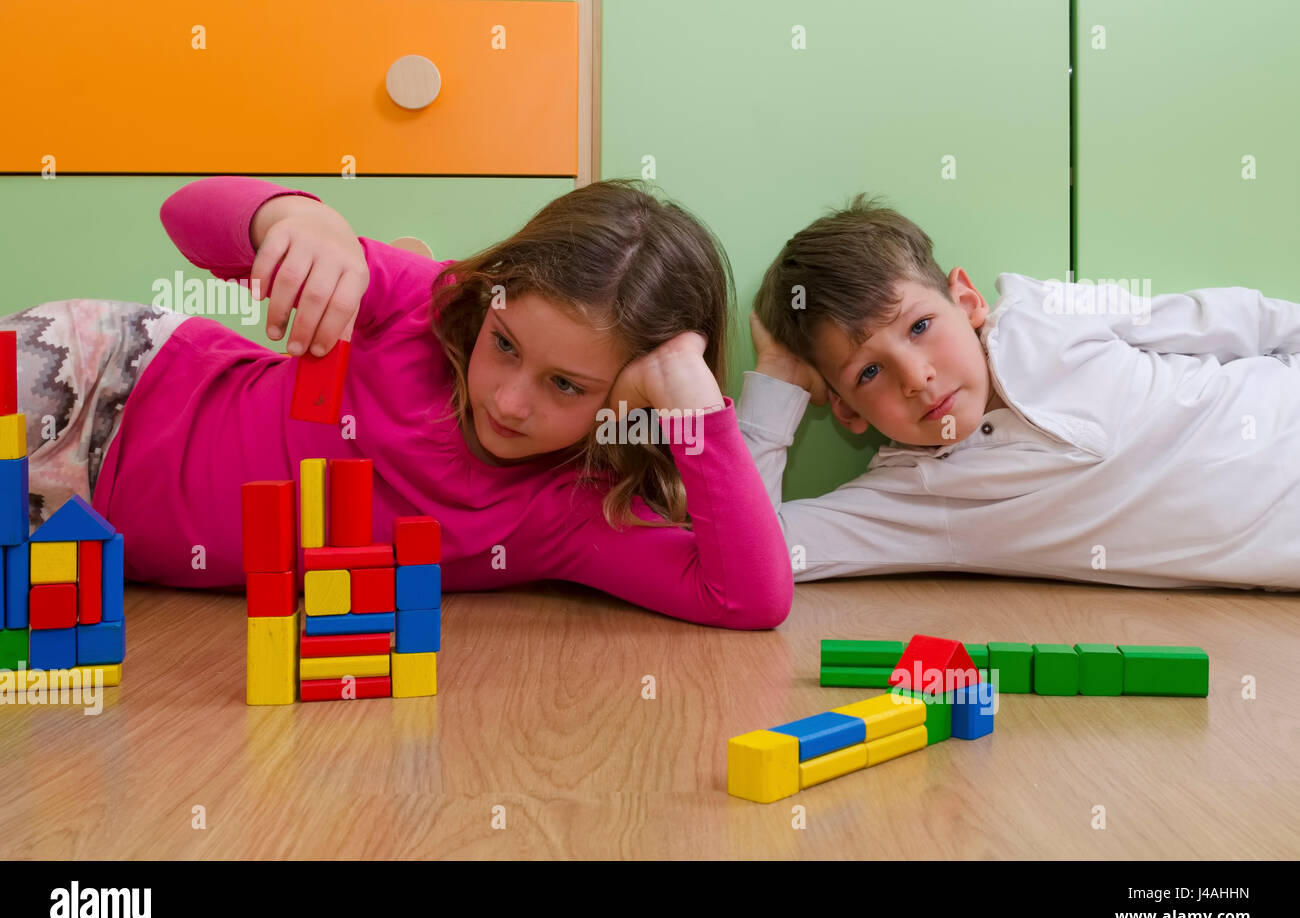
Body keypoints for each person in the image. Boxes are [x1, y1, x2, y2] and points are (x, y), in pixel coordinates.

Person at [4, 176, 793, 629]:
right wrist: (298, 219)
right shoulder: (423, 304)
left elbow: (749, 597)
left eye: (566, 386)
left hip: (86, 540)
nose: (510, 399)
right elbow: (186, 216)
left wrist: (698, 412)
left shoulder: (572, 516)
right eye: (506, 344)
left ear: (632, 397)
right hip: (114, 375)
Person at [740, 194, 1300, 592]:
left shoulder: (1045, 316)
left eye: (918, 327)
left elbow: (1229, 320)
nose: (915, 377)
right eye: (868, 373)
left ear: (966, 301)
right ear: (844, 409)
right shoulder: (911, 501)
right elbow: (751, 561)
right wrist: (775, 384)